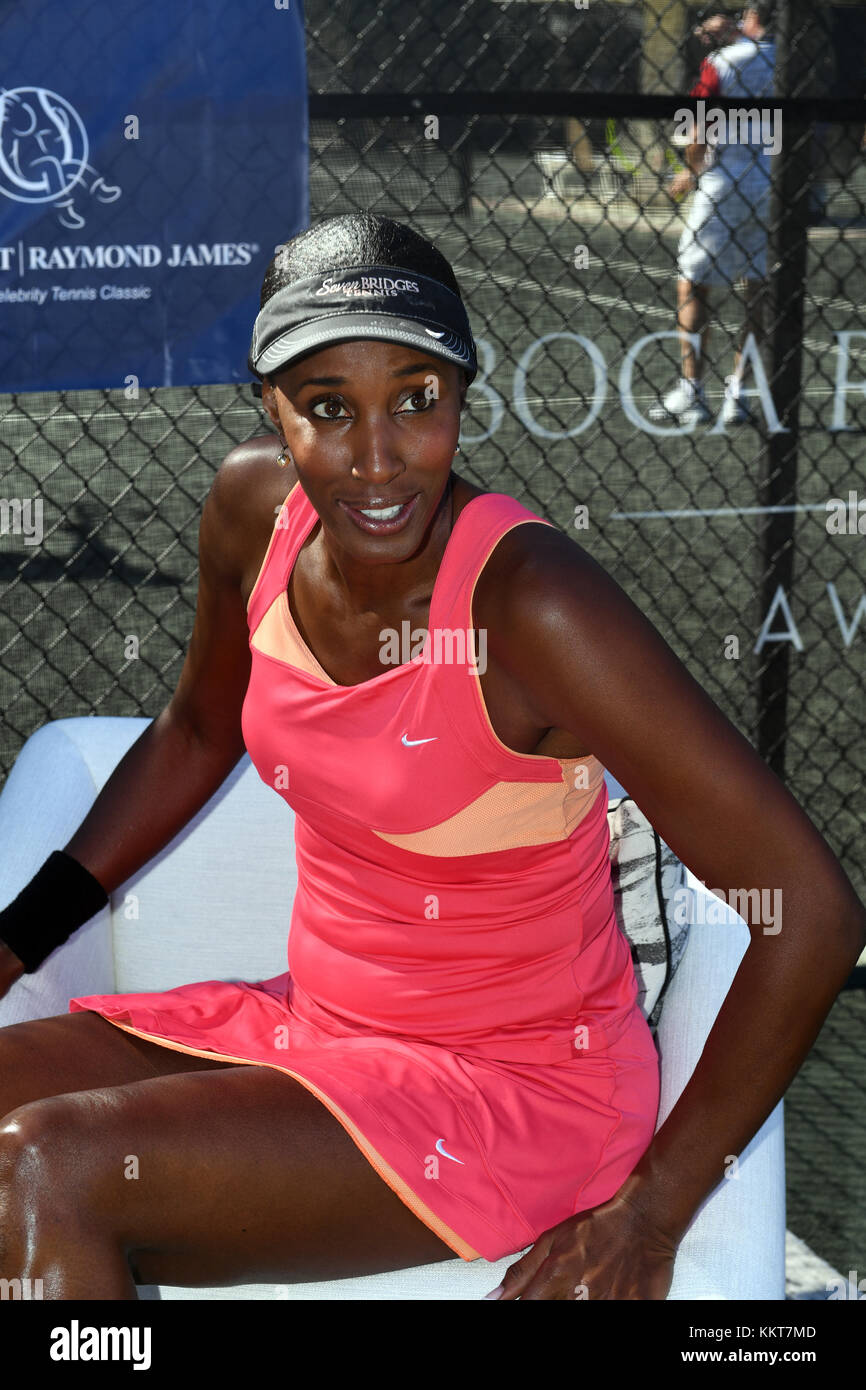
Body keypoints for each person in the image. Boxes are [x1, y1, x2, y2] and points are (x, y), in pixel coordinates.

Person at [0, 212, 863, 1302]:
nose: (376, 458)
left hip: (511, 1090)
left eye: (416, 399)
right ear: (272, 406)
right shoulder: (250, 510)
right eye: (327, 408)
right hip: (318, 1029)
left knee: (48, 1170)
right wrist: (12, 943)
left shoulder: (532, 605)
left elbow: (810, 908)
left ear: (460, 393)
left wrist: (652, 1212)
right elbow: (195, 733)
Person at [649, 3, 777, 427]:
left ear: (753, 17)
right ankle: (738, 395)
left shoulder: (720, 62)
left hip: (724, 180)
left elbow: (698, 127)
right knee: (757, 288)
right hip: (771, 183)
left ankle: (693, 391)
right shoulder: (790, 61)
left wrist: (691, 168)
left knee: (692, 283)